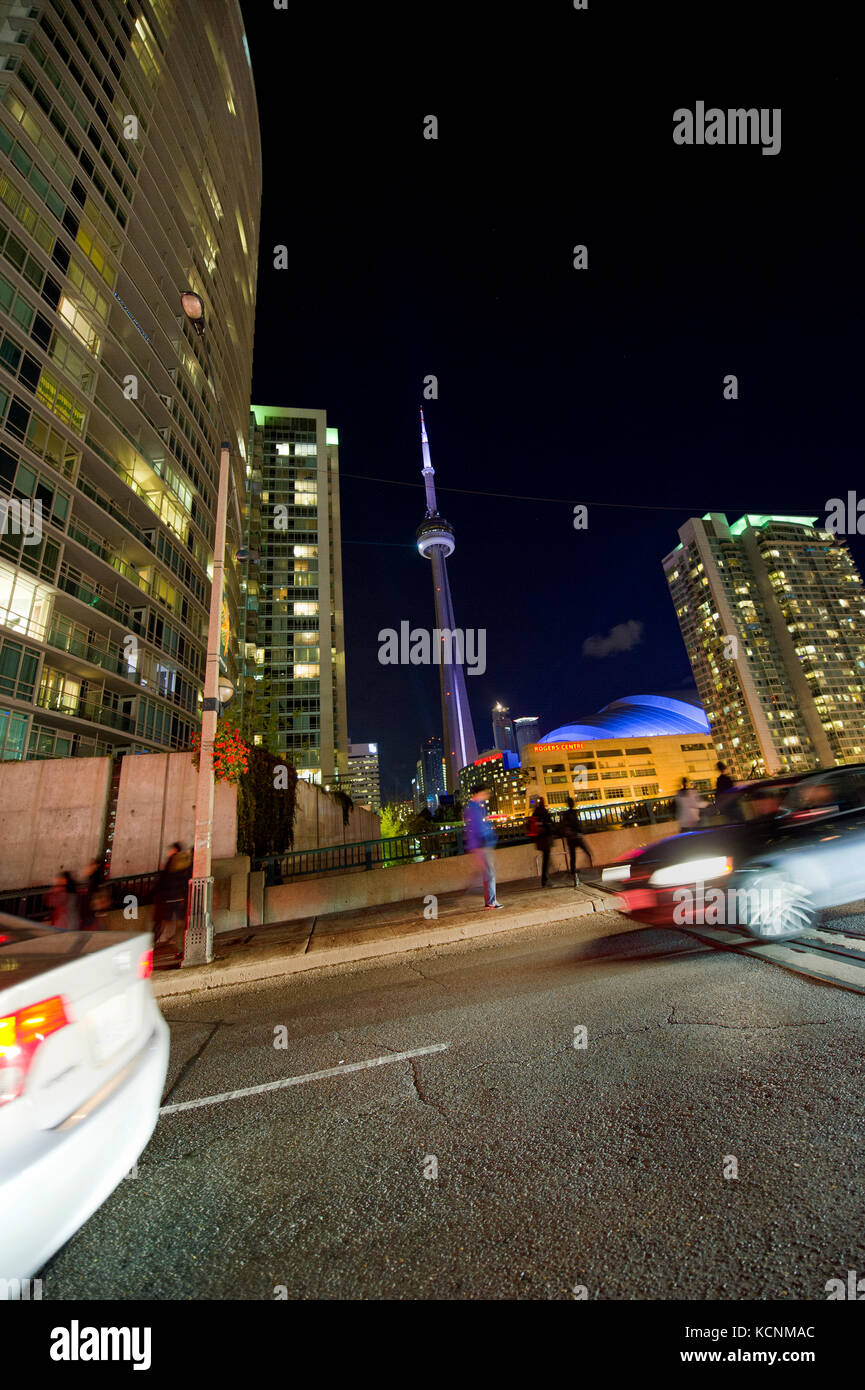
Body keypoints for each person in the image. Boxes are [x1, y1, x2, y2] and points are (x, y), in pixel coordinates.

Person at [463, 785, 502, 909]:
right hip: (483, 844)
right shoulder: (474, 809)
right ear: (477, 794)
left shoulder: (475, 807)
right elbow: (479, 827)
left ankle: (488, 900)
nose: (486, 795)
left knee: (487, 873)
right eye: (484, 793)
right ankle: (490, 901)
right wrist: (487, 839)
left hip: (481, 844)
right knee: (490, 873)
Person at [153, 842, 193, 948]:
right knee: (179, 923)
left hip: (170, 898)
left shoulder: (172, 863)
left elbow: (164, 880)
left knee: (162, 922)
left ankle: (154, 942)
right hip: (178, 898)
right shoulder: (184, 865)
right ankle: (180, 947)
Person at [560, 796, 594, 886]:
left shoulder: (567, 813)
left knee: (573, 856)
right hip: (575, 836)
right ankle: (581, 869)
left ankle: (574, 872)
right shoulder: (573, 813)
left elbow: (566, 825)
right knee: (585, 851)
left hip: (572, 837)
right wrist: (579, 832)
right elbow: (577, 824)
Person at [529, 796, 555, 887]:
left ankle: (545, 878)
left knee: (546, 858)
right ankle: (545, 879)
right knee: (546, 859)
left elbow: (532, 824)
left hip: (539, 839)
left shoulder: (535, 812)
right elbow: (549, 823)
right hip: (545, 839)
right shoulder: (544, 812)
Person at [80, 857, 109, 928]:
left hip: (96, 904)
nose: (90, 867)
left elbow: (95, 890)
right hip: (95, 905)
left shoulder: (96, 877)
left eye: (93, 865)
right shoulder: (93, 877)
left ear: (96, 866)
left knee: (98, 922)